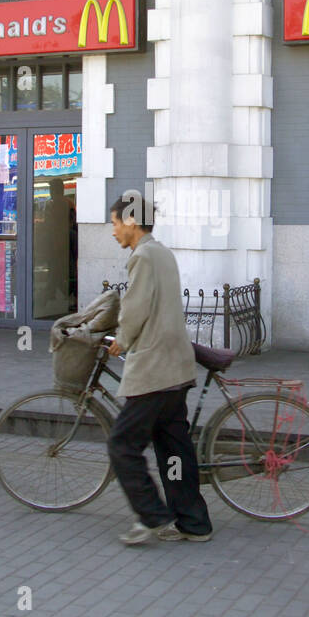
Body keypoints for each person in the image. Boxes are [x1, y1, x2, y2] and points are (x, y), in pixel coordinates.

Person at [105, 194, 213, 546]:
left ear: (132, 221)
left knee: (122, 443)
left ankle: (152, 515)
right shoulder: (163, 252)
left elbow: (135, 308)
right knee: (174, 449)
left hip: (153, 369)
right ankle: (194, 523)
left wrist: (121, 338)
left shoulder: (143, 256)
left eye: (116, 222)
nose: (114, 231)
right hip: (177, 367)